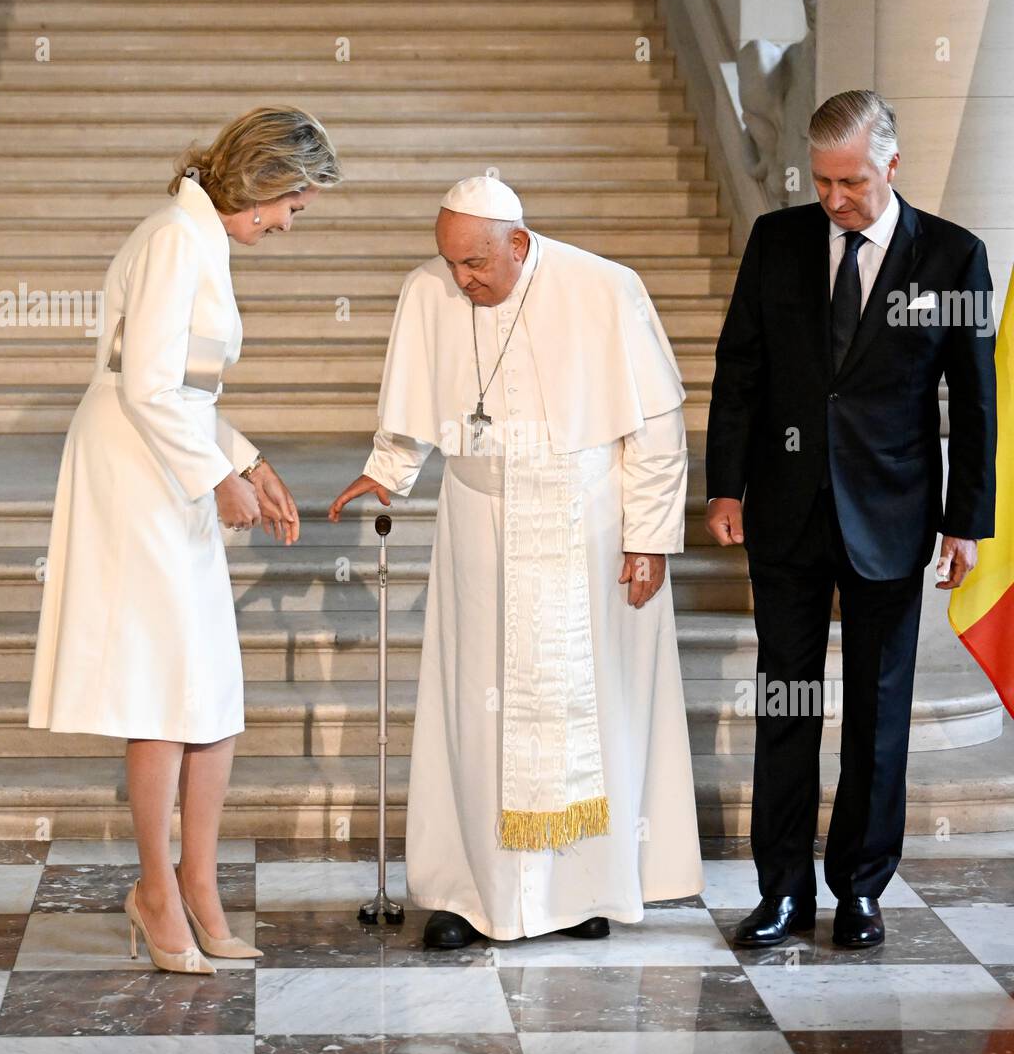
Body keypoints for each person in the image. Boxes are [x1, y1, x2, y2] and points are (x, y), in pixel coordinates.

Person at [329, 175, 703, 947]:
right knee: (477, 706)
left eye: (474, 264)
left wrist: (649, 539)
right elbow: (411, 404)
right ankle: (473, 896)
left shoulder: (606, 289)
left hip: (586, 522)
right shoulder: (429, 291)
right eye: (450, 262)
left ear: (519, 243)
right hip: (479, 524)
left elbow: (657, 428)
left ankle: (582, 889)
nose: (460, 280)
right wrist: (389, 467)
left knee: (589, 703)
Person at [28, 106, 340, 972]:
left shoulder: (195, 235)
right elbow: (146, 388)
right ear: (268, 179)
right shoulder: (175, 236)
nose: (288, 223)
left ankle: (198, 885)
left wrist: (250, 457)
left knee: (209, 686)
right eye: (295, 204)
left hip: (165, 455)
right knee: (165, 687)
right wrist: (216, 477)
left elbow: (185, 389)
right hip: (136, 473)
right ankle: (157, 891)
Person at [705, 89, 997, 948]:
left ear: (892, 166)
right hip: (788, 514)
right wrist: (726, 485)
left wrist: (965, 522)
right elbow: (740, 370)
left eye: (852, 182)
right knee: (786, 702)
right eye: (824, 181)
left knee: (878, 707)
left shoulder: (953, 257)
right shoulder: (776, 242)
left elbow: (975, 403)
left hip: (893, 514)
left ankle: (860, 887)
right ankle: (783, 890)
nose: (835, 199)